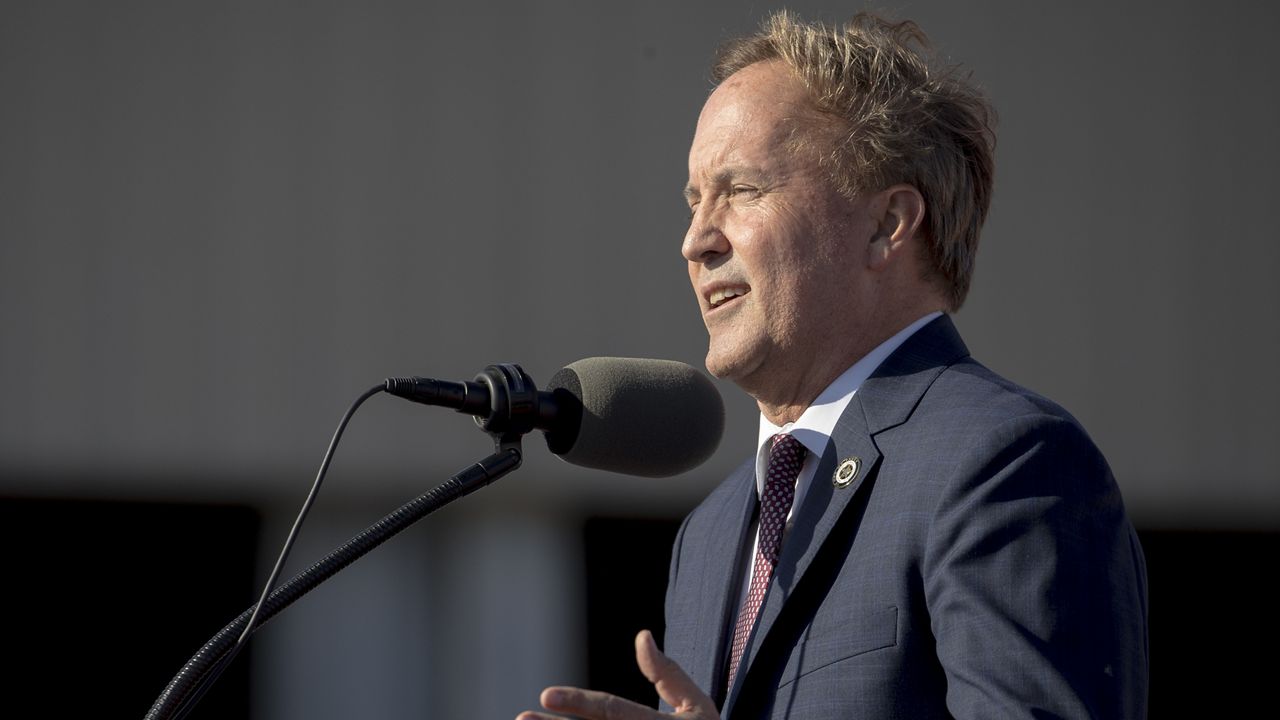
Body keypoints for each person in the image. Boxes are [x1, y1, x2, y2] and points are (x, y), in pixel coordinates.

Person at [519, 11, 1148, 720]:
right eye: (696, 200)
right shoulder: (711, 531)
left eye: (743, 190)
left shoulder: (1004, 463)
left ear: (887, 225)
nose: (696, 241)